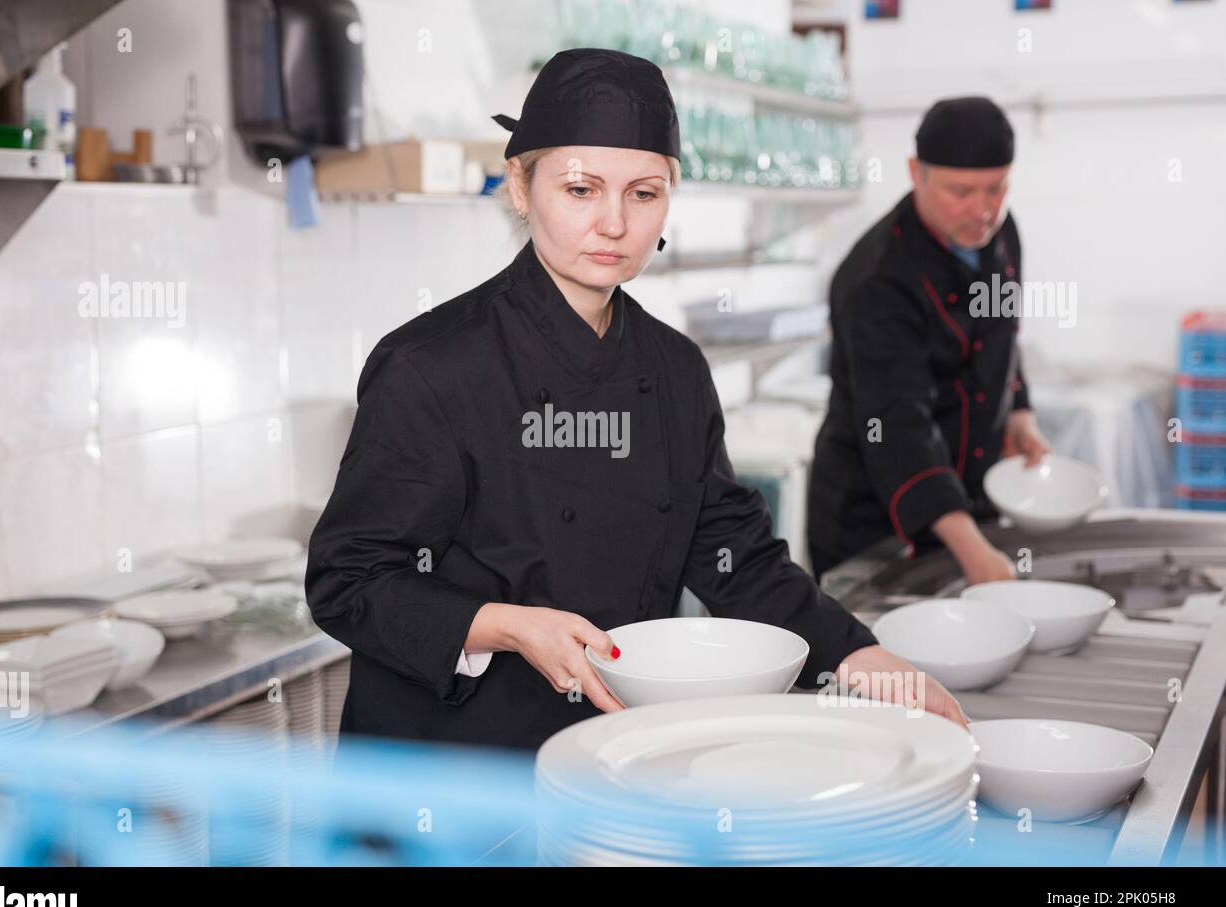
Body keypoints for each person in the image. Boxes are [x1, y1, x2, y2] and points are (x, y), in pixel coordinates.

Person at [305, 49, 966, 751]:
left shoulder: (674, 369)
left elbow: (733, 555)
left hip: (610, 749)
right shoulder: (431, 366)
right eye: (581, 189)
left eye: (643, 193)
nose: (614, 224)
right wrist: (506, 624)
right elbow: (347, 581)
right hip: (448, 768)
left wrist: (860, 655)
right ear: (522, 187)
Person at [808, 96, 1051, 584]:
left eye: (995, 188)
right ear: (916, 171)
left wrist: (1019, 410)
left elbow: (1002, 335)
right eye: (961, 191)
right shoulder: (876, 280)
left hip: (968, 500)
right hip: (872, 517)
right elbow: (898, 429)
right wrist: (974, 552)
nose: (982, 210)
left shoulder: (1002, 238)